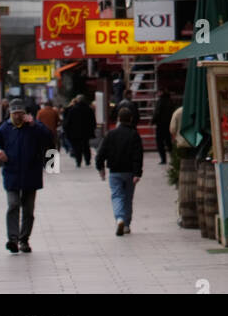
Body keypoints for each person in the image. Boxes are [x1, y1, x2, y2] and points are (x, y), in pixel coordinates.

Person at [0, 98, 55, 253]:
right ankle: (12, 239)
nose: (18, 116)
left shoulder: (33, 127)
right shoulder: (5, 129)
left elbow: (48, 137)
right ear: (11, 113)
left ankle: (24, 239)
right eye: (15, 113)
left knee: (28, 210)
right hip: (11, 173)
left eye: (21, 113)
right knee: (13, 205)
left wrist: (35, 124)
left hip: (31, 174)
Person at [95, 106, 143, 235]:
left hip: (115, 171)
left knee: (117, 196)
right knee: (128, 198)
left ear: (118, 119)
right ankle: (126, 224)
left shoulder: (111, 134)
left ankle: (119, 218)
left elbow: (101, 153)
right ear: (131, 119)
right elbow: (138, 155)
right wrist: (138, 173)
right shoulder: (134, 135)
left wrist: (100, 167)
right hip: (130, 172)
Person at [63, 92, 96, 166]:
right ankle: (87, 160)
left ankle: (78, 161)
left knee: (77, 147)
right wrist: (92, 129)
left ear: (77, 100)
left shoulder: (73, 110)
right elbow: (93, 121)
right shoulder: (89, 109)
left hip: (75, 132)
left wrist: (67, 130)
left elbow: (68, 122)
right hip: (86, 132)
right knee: (86, 146)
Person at [152, 90, 175, 164]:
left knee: (160, 143)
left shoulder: (160, 101)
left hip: (160, 125)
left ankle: (163, 159)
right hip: (168, 124)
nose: (157, 93)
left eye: (158, 92)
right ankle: (173, 158)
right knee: (168, 142)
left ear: (161, 92)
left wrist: (153, 121)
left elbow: (157, 112)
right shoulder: (170, 101)